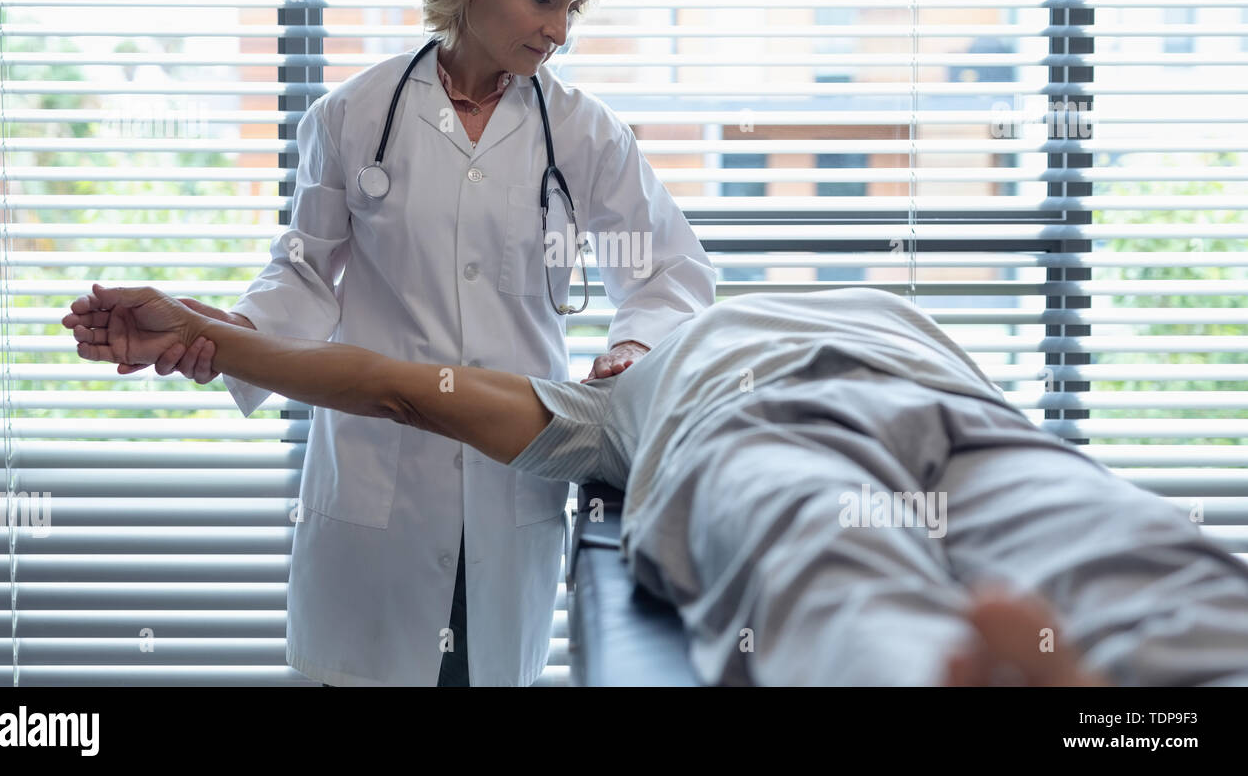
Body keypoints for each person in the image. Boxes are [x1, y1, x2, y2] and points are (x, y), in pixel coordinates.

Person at [113, 0, 716, 687]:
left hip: (511, 477)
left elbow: (668, 271)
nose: (558, 30)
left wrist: (634, 348)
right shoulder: (353, 115)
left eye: (573, 8)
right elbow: (300, 278)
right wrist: (211, 336)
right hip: (376, 483)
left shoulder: (582, 131)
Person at [66, 283, 1248, 686]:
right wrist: (205, 328)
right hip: (747, 435)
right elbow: (391, 383)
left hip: (964, 420)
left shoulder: (806, 304)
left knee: (1119, 535)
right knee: (818, 552)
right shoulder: (600, 410)